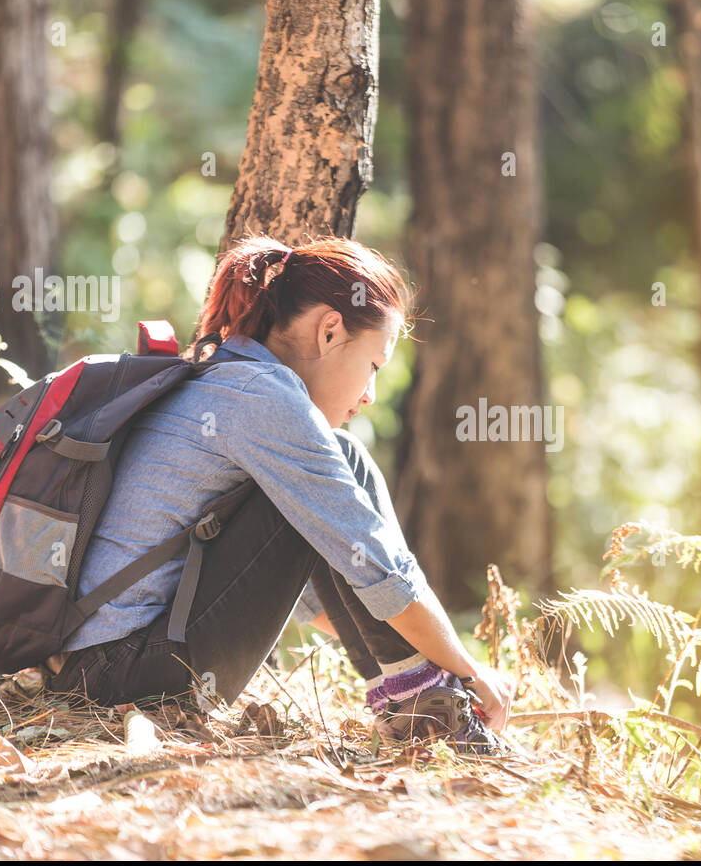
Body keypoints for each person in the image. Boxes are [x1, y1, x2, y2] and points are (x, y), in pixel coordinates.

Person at [42, 233, 513, 755]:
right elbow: (378, 566)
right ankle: (427, 703)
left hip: (94, 665)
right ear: (330, 331)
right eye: (374, 365)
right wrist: (465, 671)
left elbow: (317, 595)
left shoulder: (221, 373)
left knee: (336, 465)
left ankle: (417, 692)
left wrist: (426, 656)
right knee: (345, 460)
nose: (369, 395)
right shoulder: (267, 401)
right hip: (125, 674)